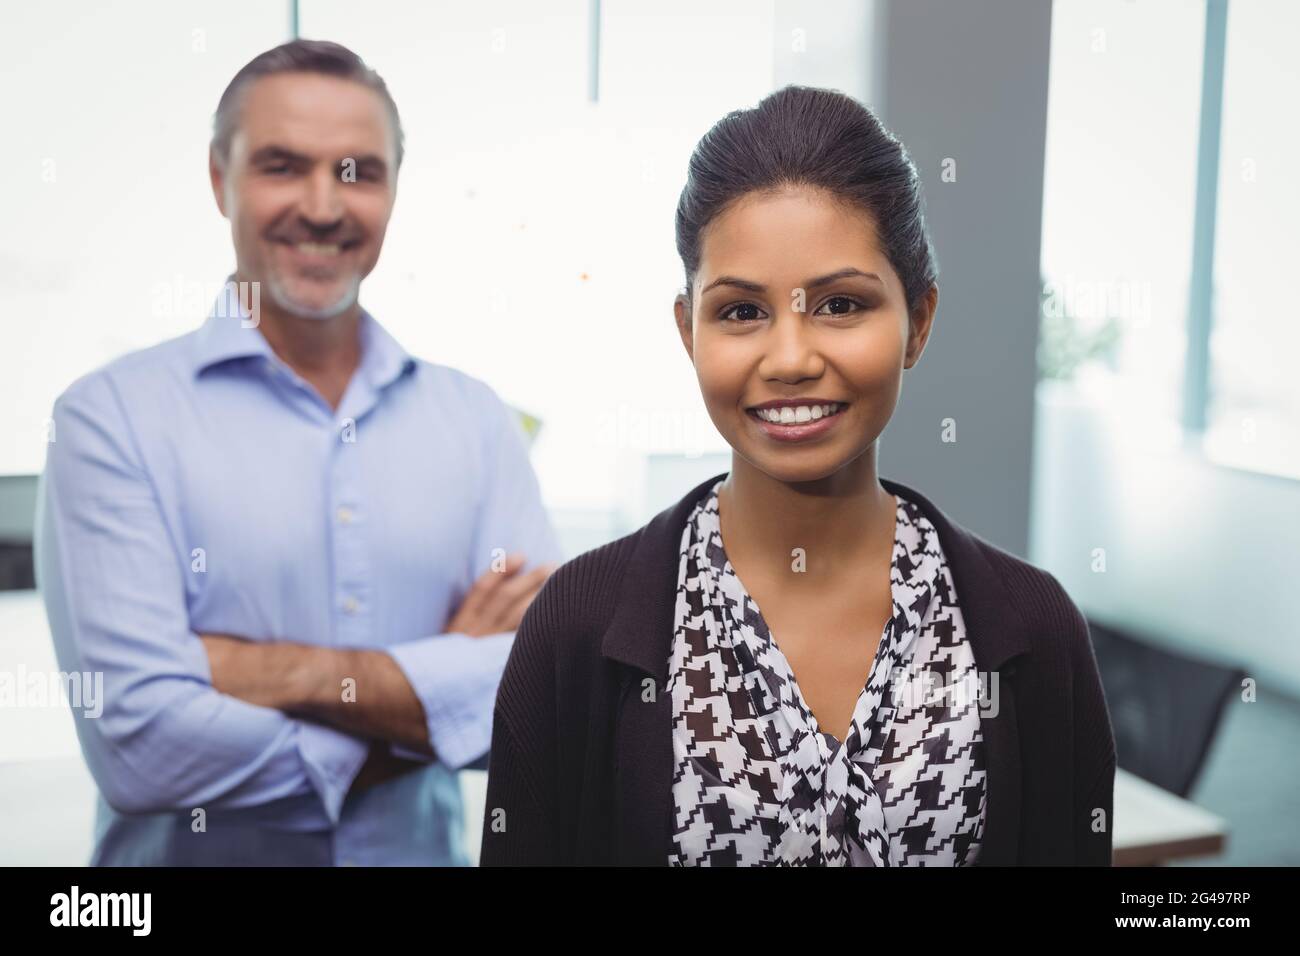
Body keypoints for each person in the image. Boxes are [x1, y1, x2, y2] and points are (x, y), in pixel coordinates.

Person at [480, 85, 1116, 866]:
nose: (790, 359)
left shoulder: (1032, 625)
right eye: (742, 313)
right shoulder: (577, 624)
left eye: (841, 304)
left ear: (918, 322)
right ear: (688, 331)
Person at [35, 39, 560, 866]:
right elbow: (141, 747)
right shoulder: (111, 420)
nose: (324, 205)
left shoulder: (475, 420)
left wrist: (251, 671)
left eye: (359, 172)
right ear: (221, 179)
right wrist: (439, 690)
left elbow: (541, 706)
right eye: (283, 165)